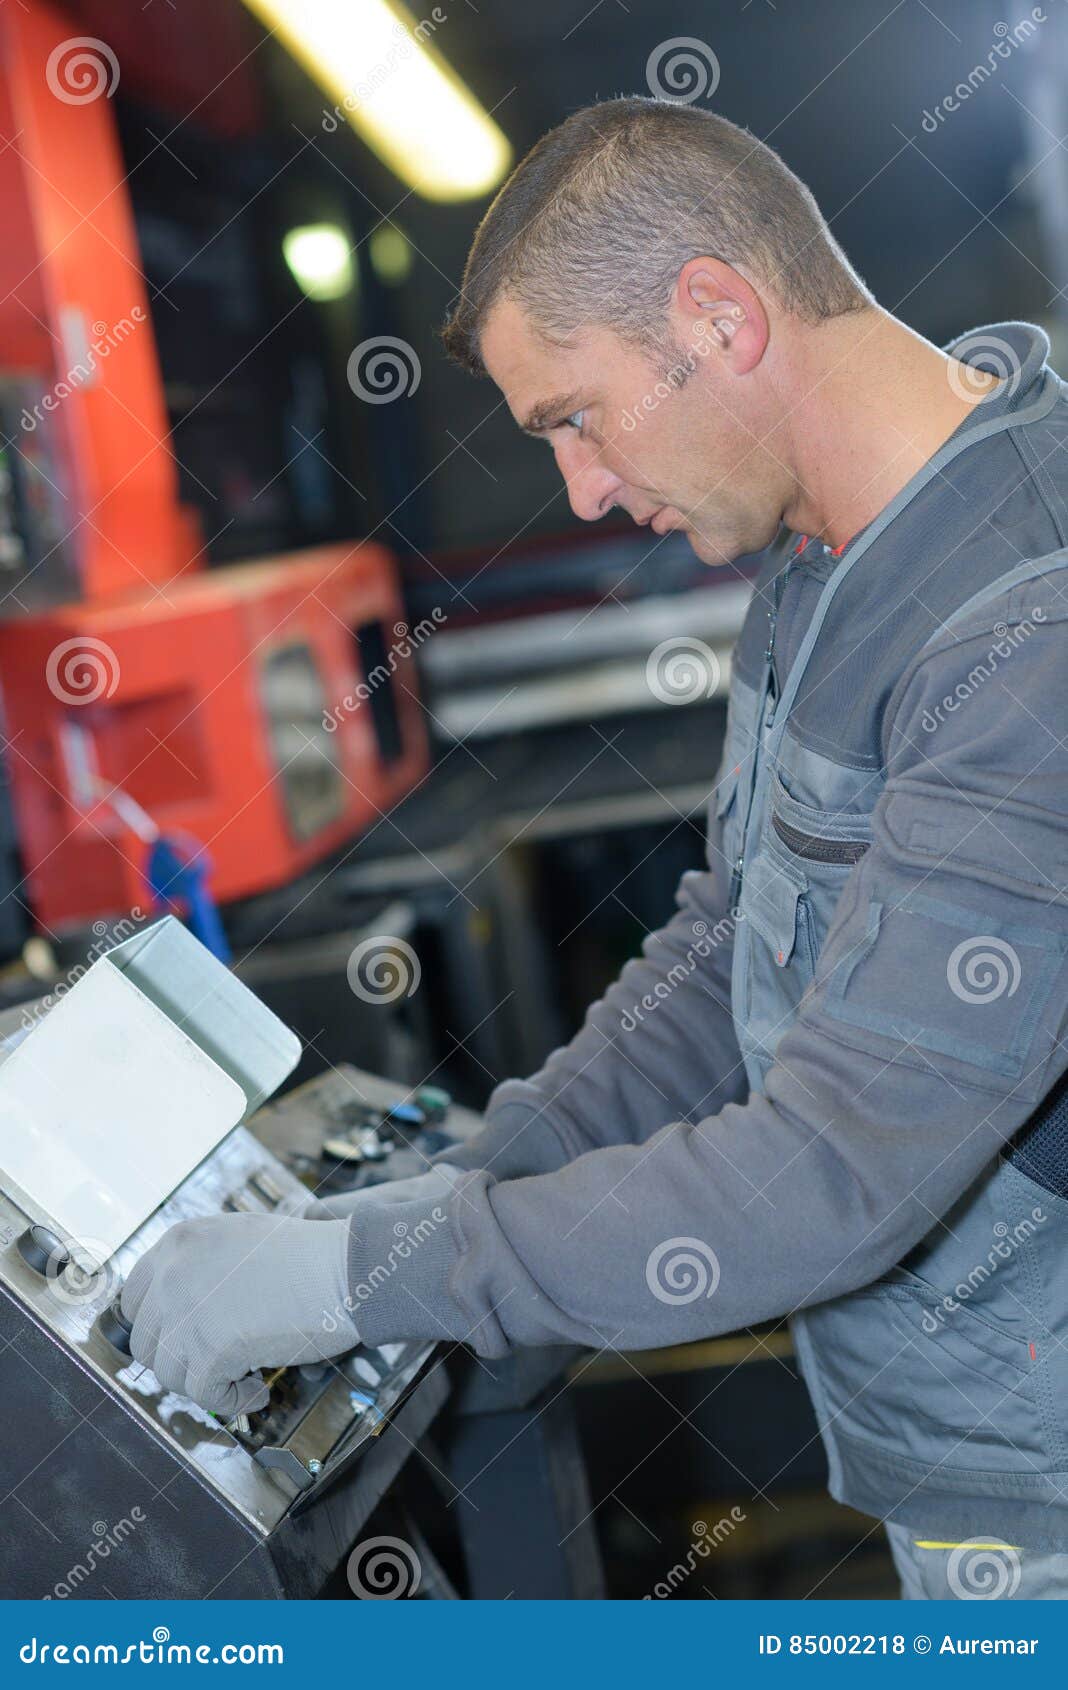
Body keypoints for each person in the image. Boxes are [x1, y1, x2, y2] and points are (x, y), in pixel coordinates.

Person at [124, 97, 1068, 1600]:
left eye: (577, 416)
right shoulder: (830, 552)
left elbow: (824, 1173)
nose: (580, 490)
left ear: (716, 314)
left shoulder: (1028, 630)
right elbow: (723, 951)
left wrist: (365, 1276)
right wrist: (450, 1192)